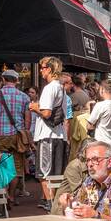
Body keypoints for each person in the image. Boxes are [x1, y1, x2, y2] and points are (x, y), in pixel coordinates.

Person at [29, 57, 69, 212]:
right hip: (58, 135)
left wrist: (34, 107)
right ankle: (55, 204)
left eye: (43, 67)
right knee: (56, 173)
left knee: (44, 173)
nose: (41, 70)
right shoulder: (60, 87)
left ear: (50, 69)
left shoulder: (49, 88)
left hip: (48, 135)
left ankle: (50, 203)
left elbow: (46, 113)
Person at [0, 69, 30, 206]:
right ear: (16, 81)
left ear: (3, 79)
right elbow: (28, 119)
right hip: (17, 136)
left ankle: (4, 194)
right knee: (16, 168)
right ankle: (11, 196)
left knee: (0, 165)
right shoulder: (24, 97)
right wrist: (26, 132)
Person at [87, 79, 111, 166]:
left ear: (102, 90)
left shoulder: (100, 105)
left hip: (102, 147)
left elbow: (89, 125)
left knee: (101, 176)